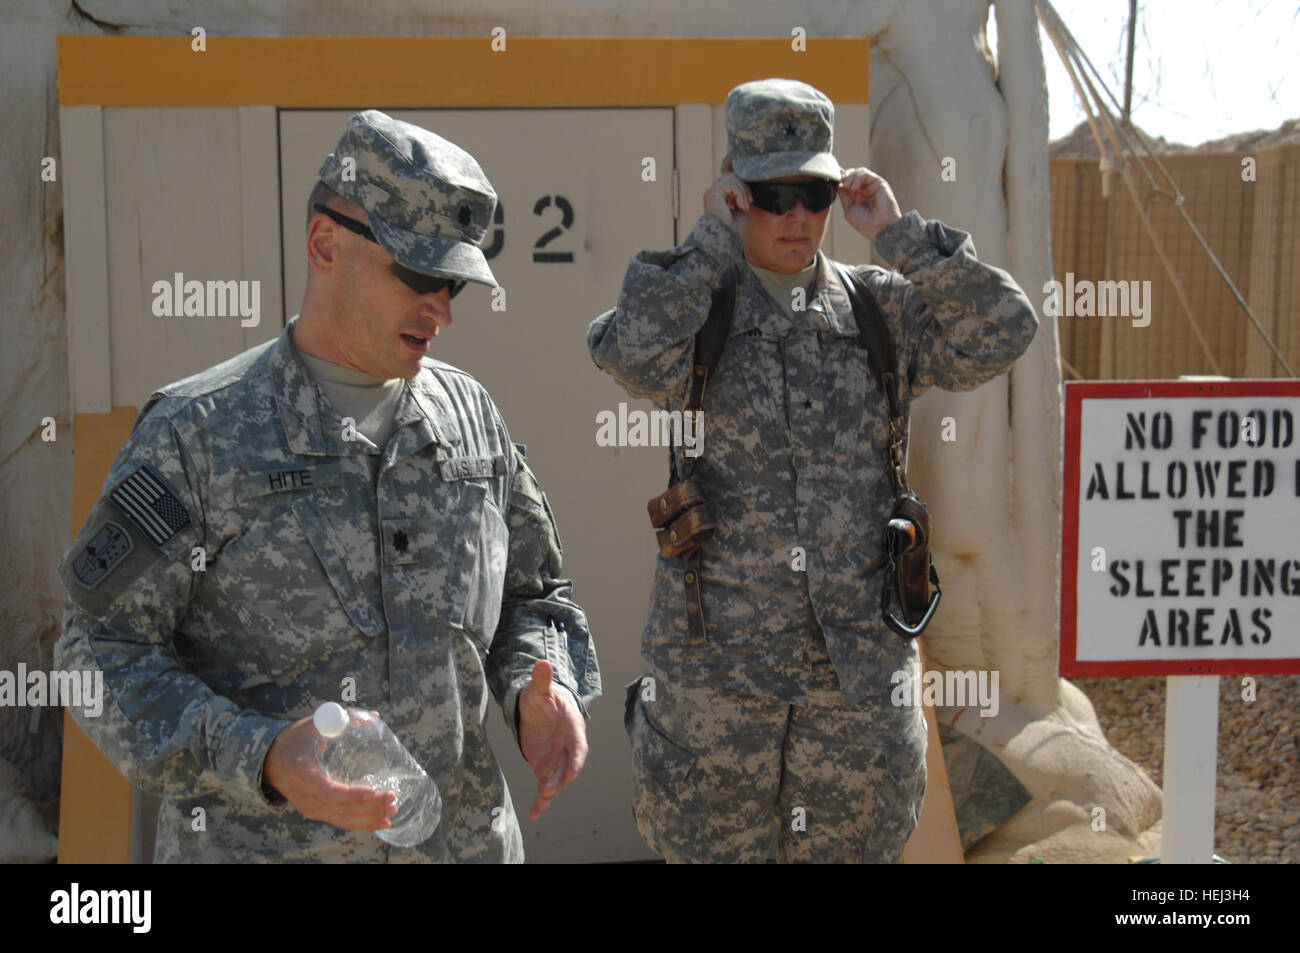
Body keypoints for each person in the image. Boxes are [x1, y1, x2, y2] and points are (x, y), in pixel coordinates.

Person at [55, 109, 600, 863]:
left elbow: (536, 596)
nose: (440, 309)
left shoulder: (471, 415)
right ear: (324, 245)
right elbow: (95, 649)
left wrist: (540, 691)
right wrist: (264, 755)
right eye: (417, 275)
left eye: (454, 285)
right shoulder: (198, 433)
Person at [588, 78, 1037, 863]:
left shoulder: (881, 312)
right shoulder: (696, 306)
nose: (798, 215)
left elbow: (1004, 328)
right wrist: (707, 245)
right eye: (774, 192)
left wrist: (899, 235)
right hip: (718, 697)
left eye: (817, 192)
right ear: (735, 189)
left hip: (855, 695)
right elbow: (628, 349)